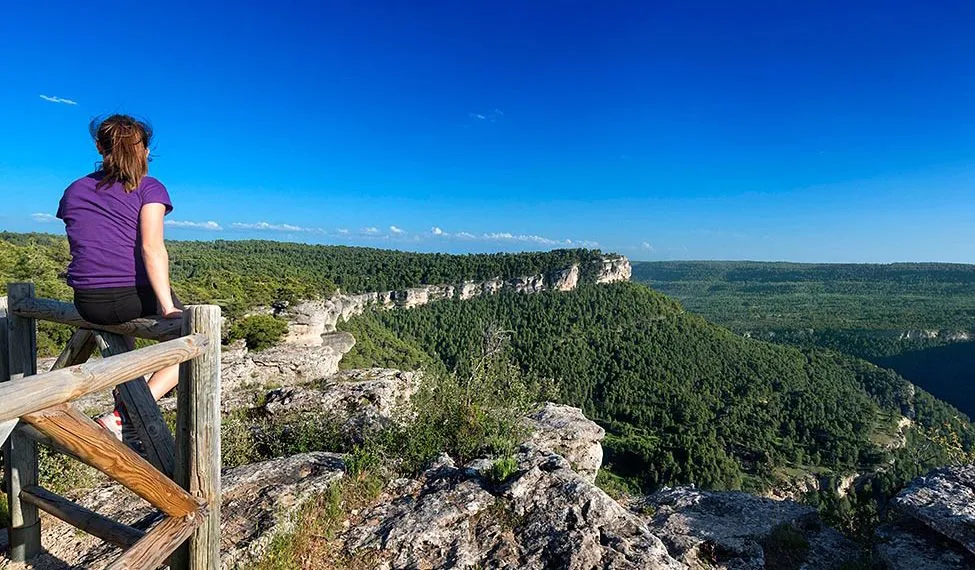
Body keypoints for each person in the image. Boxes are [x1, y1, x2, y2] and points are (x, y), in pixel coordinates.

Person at [56, 114, 183, 445]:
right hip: (129, 297)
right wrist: (168, 308)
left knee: (122, 350)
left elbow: (87, 241)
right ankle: (125, 415)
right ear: (145, 150)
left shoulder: (74, 190)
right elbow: (152, 249)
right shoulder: (149, 187)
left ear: (99, 147)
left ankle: (125, 413)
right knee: (194, 344)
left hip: (88, 303)